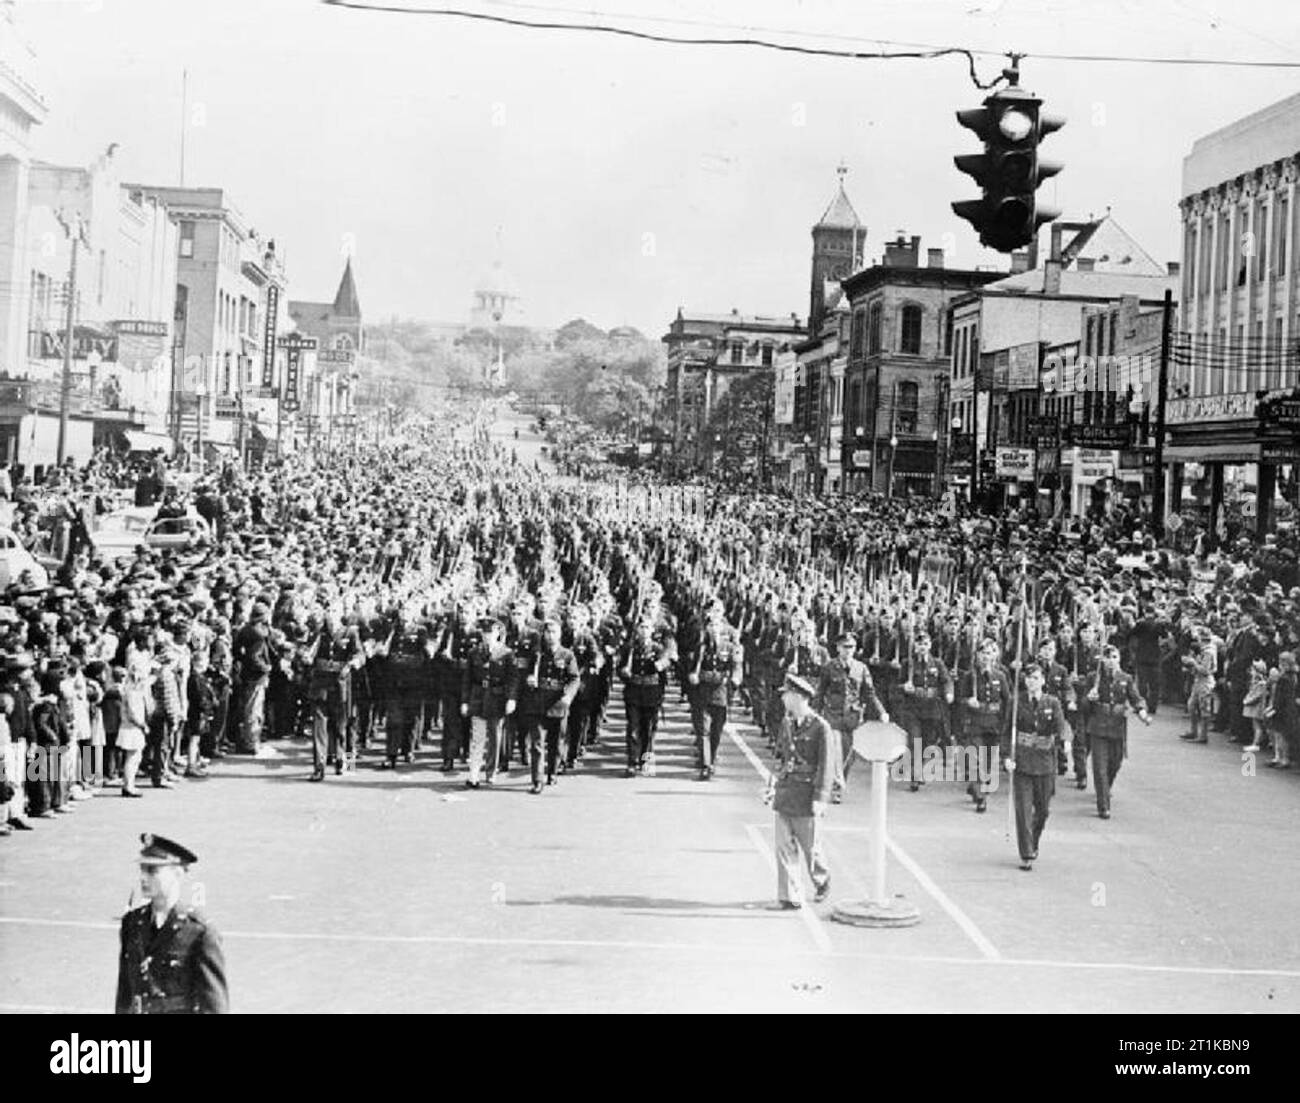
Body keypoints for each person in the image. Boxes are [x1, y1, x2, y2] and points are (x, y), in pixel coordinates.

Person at [116, 833, 228, 1014]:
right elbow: (125, 993)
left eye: (152, 870)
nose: (143, 878)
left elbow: (214, 1004)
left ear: (177, 873)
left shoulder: (199, 931)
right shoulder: (132, 923)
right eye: (142, 869)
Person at [770, 673, 839, 909]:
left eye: (787, 694)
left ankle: (822, 879)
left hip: (807, 793)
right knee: (783, 846)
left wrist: (821, 798)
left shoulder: (821, 727)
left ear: (799, 697)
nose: (783, 698)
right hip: (786, 791)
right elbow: (780, 757)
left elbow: (826, 765)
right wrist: (771, 785)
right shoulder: (787, 723)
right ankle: (790, 896)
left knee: (811, 849)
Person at [1003, 663, 1066, 872]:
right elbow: (1007, 733)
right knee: (1023, 811)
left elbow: (1060, 727)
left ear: (1043, 681)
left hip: (1045, 762)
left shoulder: (1052, 703)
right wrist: (1007, 757)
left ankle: (1033, 841)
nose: (1032, 681)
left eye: (1036, 678)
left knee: (1043, 811)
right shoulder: (1015, 702)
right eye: (1028, 678)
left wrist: (1065, 741)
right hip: (1022, 761)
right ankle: (1026, 852)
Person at [812, 632, 886, 803]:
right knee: (836, 750)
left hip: (852, 717)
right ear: (838, 648)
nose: (848, 650)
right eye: (845, 647)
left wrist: (881, 712)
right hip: (834, 715)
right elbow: (821, 692)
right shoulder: (829, 667)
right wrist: (815, 713)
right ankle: (836, 787)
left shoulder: (861, 668)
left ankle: (839, 780)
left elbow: (869, 693)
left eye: (851, 647)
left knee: (849, 755)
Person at [1085, 643, 1149, 818]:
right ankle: (1103, 805)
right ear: (1102, 660)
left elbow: (1136, 698)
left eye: (1114, 657)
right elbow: (1083, 705)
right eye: (1108, 657)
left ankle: (1106, 786)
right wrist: (1089, 698)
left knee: (1115, 763)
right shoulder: (1094, 678)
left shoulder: (1126, 678)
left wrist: (1141, 711)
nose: (1111, 661)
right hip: (1098, 725)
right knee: (1099, 767)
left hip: (1117, 726)